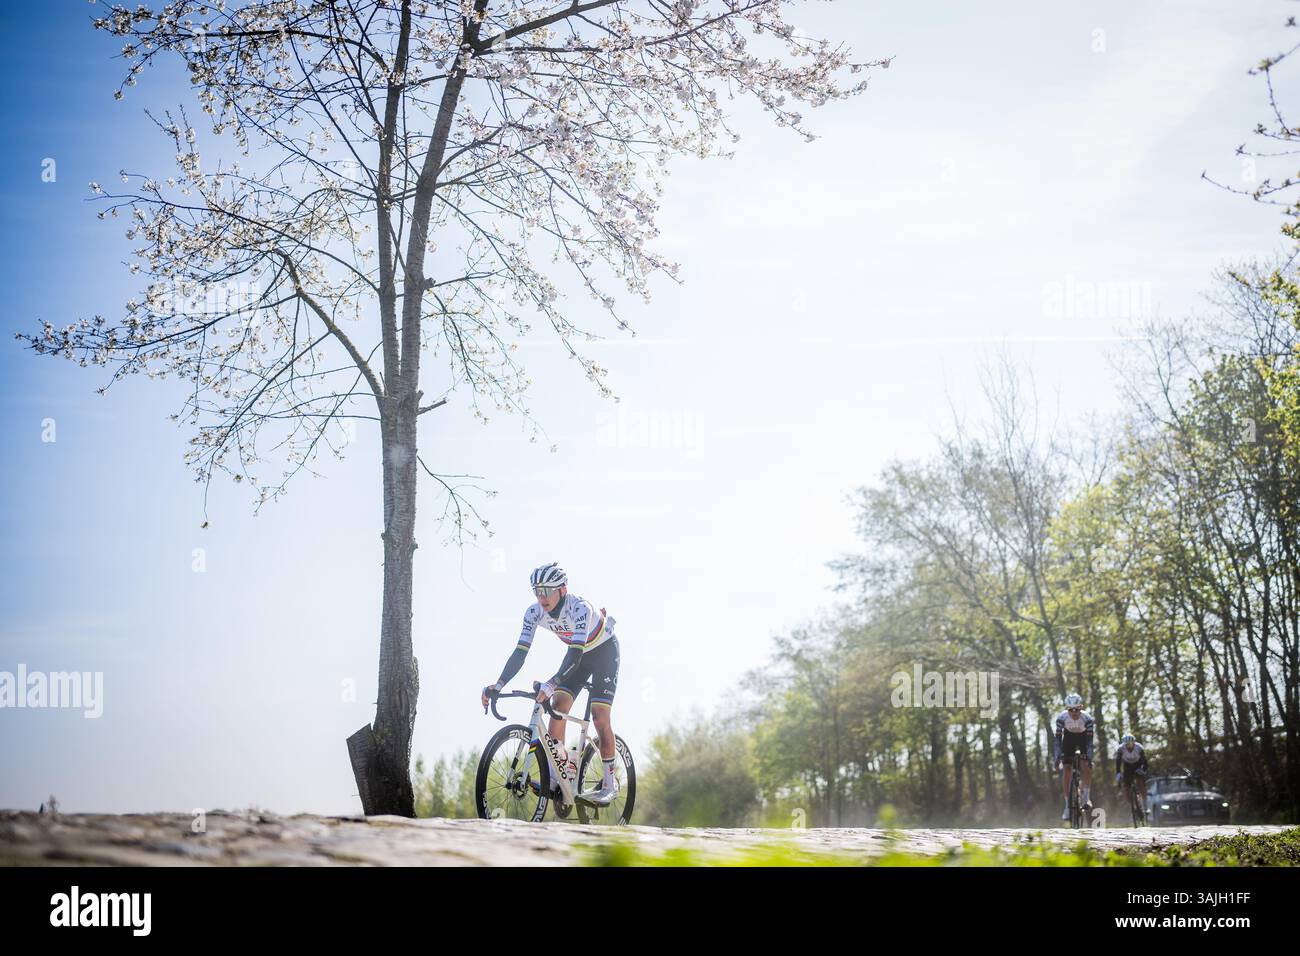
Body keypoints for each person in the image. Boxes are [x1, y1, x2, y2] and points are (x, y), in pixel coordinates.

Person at [481, 562, 622, 805]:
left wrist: (552, 681)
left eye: (547, 591)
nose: (541, 597)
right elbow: (520, 652)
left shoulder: (579, 609)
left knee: (599, 716)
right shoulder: (534, 612)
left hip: (604, 653)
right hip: (579, 656)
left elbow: (575, 655)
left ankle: (610, 784)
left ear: (563, 590)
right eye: (537, 591)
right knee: (557, 706)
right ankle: (559, 776)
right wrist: (499, 684)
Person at [1053, 693, 1094, 820]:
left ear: (1081, 707)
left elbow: (1090, 742)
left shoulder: (1087, 719)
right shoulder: (1061, 718)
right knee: (1067, 768)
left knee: (1084, 765)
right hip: (1069, 740)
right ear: (1067, 709)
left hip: (1083, 740)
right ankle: (1067, 806)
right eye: (1071, 709)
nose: (1074, 712)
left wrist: (1088, 757)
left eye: (1077, 709)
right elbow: (1058, 740)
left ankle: (1086, 797)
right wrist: (1057, 757)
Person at [1114, 733, 1148, 816]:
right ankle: (1134, 806)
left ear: (1134, 743)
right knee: (1127, 789)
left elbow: (1145, 762)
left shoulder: (1139, 748)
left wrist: (1143, 769)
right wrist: (1118, 773)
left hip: (1138, 765)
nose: (1129, 746)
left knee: (1141, 784)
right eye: (1127, 745)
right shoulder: (1120, 749)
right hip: (1128, 766)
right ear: (1123, 744)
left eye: (1131, 744)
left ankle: (1145, 806)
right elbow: (1118, 762)